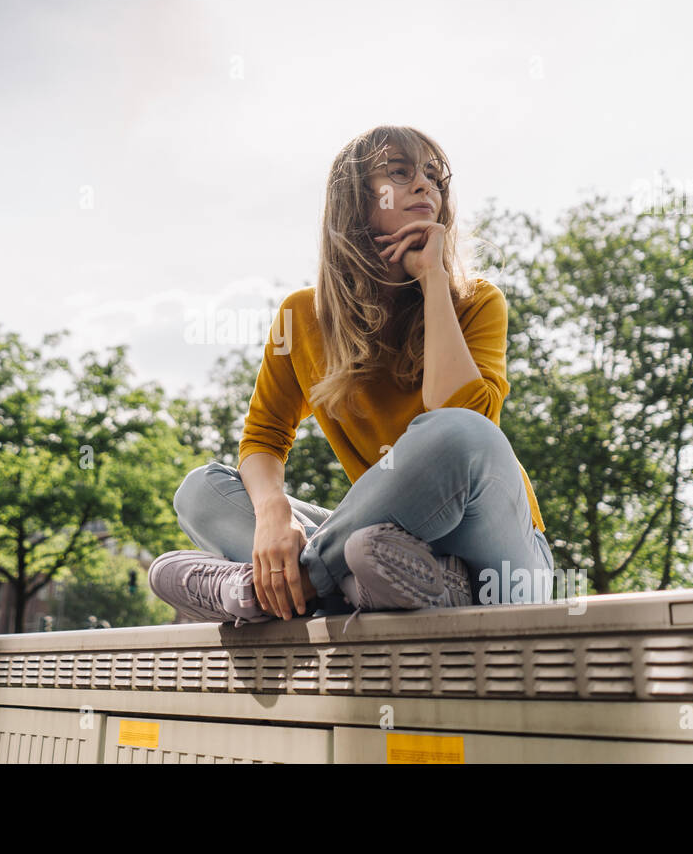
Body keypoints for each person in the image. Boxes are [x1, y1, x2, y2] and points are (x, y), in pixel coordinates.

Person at [150, 125, 554, 632]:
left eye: (435, 177)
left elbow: (464, 423)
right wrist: (275, 515)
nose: (426, 186)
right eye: (401, 174)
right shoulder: (303, 317)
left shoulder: (476, 302)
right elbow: (263, 439)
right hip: (382, 549)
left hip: (505, 563)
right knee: (201, 491)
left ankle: (266, 588)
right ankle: (367, 581)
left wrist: (433, 280)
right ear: (354, 200)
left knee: (461, 433)